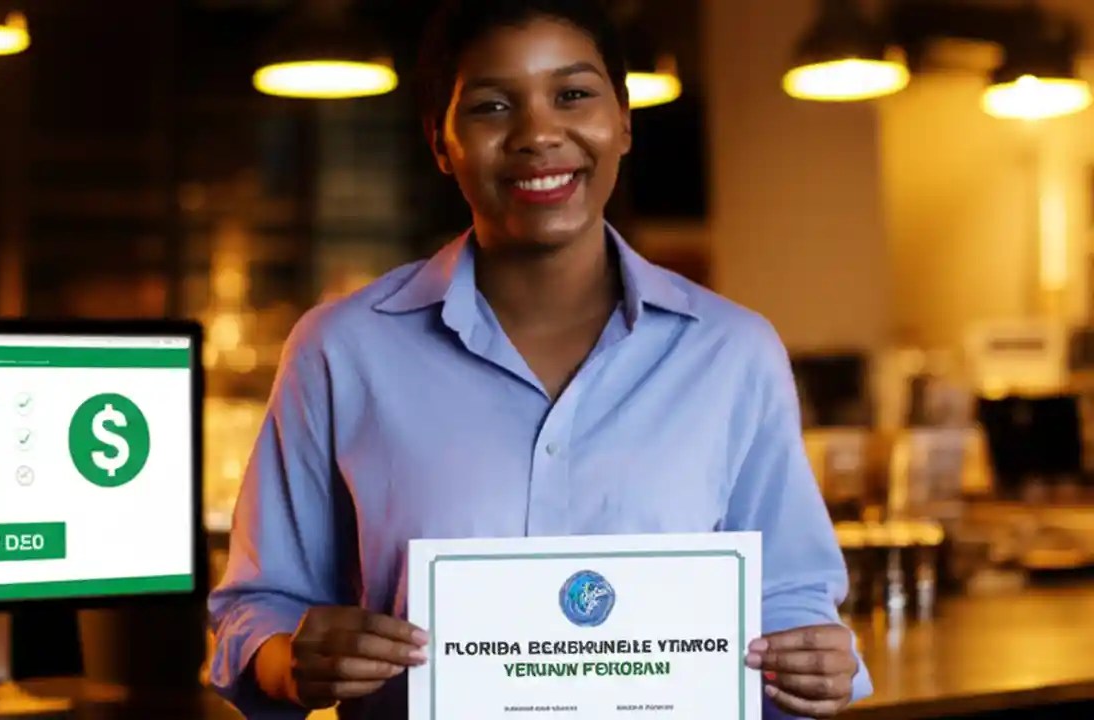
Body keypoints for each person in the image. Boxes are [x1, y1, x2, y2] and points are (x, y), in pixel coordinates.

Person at [208, 0, 873, 717]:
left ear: (623, 119)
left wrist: (815, 663)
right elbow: (260, 606)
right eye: (492, 106)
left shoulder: (732, 352)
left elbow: (789, 598)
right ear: (440, 141)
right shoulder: (340, 350)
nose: (537, 134)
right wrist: (289, 661)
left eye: (573, 95)